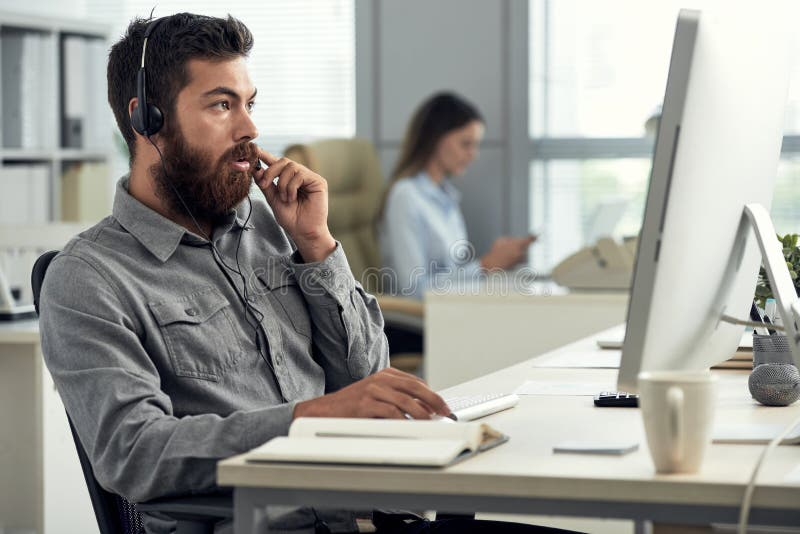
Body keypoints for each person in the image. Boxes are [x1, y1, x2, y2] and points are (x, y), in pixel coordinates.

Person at [39, 13, 575, 534]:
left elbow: (367, 378)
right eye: (222, 105)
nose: (250, 128)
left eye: (249, 104)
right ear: (146, 119)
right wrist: (310, 417)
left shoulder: (274, 230)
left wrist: (318, 246)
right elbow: (133, 453)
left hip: (366, 515)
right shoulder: (90, 279)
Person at [381, 93, 536, 299]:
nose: (473, 154)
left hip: (451, 307)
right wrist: (485, 265)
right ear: (435, 139)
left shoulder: (446, 197)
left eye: (476, 145)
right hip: (423, 316)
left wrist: (494, 260)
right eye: (465, 144)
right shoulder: (406, 197)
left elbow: (452, 272)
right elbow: (414, 289)